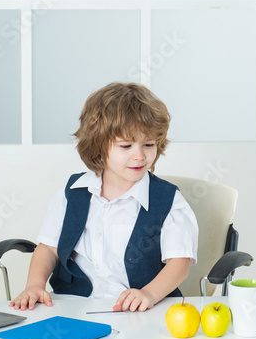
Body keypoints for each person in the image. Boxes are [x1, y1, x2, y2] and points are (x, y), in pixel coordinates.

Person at [10, 82, 198, 312]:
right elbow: (48, 249)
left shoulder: (169, 201)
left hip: (140, 310)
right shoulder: (72, 194)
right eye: (126, 146)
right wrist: (35, 285)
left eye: (148, 144)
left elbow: (180, 263)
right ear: (98, 146)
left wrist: (149, 294)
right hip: (74, 307)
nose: (139, 156)